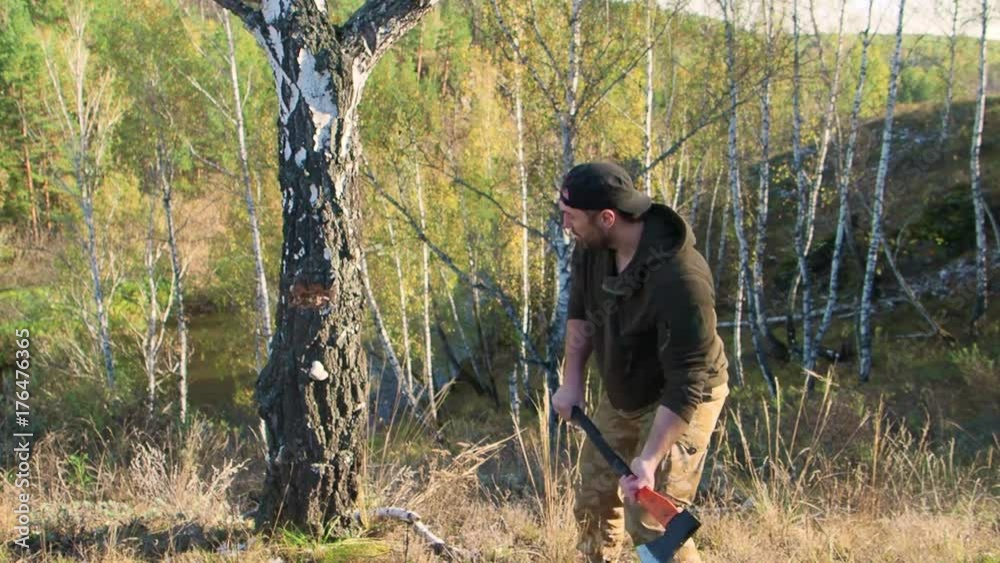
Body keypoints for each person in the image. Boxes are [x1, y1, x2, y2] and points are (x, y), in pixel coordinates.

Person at [551, 161, 729, 563]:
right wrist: (572, 380)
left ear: (607, 217)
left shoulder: (682, 279)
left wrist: (649, 459)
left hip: (684, 397)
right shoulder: (593, 246)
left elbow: (688, 381)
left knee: (650, 516)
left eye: (571, 216)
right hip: (627, 390)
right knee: (594, 499)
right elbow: (580, 310)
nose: (565, 224)